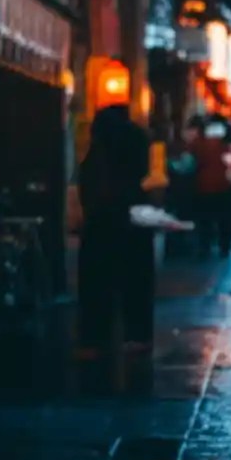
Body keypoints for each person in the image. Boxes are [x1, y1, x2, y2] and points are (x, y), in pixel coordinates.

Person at [77, 105, 155, 360]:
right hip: (133, 217)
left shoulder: (99, 147)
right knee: (136, 281)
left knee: (97, 283)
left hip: (101, 219)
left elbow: (87, 182)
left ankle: (96, 339)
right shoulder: (136, 138)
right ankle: (137, 336)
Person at [191, 116, 231, 258]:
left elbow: (192, 162)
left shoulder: (199, 144)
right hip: (224, 186)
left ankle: (205, 247)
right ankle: (225, 247)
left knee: (205, 220)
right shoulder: (227, 146)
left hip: (204, 186)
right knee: (224, 219)